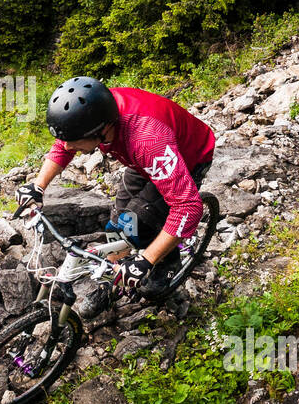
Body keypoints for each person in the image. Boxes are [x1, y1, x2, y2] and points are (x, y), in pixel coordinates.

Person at [15, 77, 215, 298]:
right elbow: (64, 145)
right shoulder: (95, 110)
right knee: (116, 226)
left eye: (74, 141)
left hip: (187, 157)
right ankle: (115, 279)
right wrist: (38, 186)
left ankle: (168, 263)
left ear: (102, 130)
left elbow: (187, 207)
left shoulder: (146, 140)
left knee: (138, 228)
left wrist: (146, 260)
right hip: (141, 160)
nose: (67, 146)